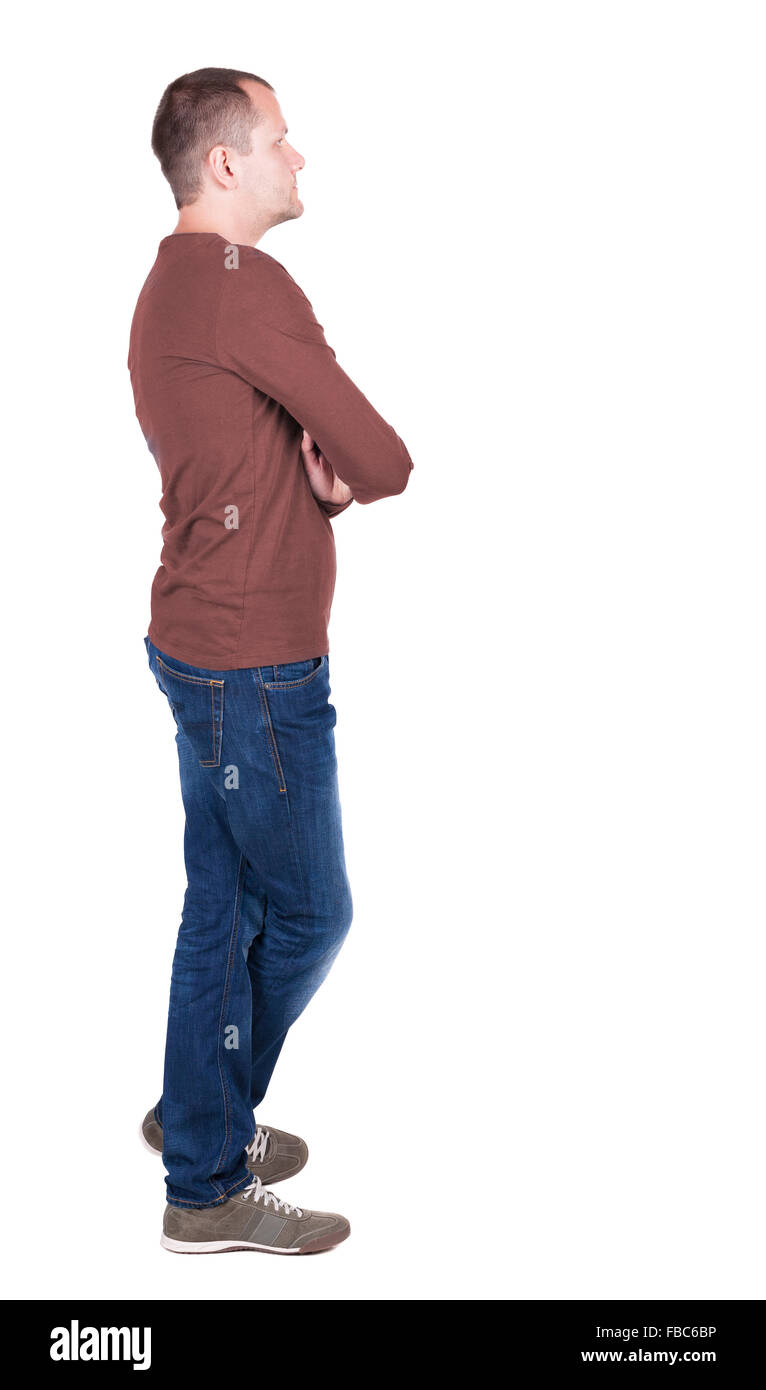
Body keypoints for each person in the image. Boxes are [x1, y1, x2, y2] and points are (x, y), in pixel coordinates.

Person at [127, 67, 413, 1255]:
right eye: (284, 142)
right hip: (254, 665)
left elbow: (267, 468)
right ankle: (206, 1167)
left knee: (223, 905)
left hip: (206, 643)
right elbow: (384, 457)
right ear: (228, 163)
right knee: (306, 912)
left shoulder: (174, 285)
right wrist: (341, 471)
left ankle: (197, 1105)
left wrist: (318, 484)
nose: (302, 161)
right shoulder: (246, 287)